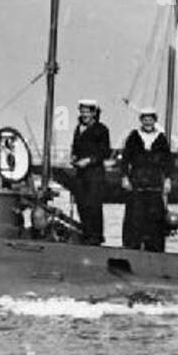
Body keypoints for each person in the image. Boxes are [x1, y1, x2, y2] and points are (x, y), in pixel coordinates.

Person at [120, 106, 173, 251]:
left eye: (150, 119)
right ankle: (132, 245)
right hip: (137, 182)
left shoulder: (161, 138)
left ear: (154, 120)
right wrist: (125, 177)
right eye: (145, 119)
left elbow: (167, 161)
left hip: (155, 183)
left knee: (155, 217)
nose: (147, 122)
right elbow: (125, 159)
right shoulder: (134, 136)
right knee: (135, 216)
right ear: (141, 120)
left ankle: (154, 247)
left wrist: (168, 179)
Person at [70, 98, 111, 245]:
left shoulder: (102, 130)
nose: (84, 114)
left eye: (87, 111)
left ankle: (96, 236)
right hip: (81, 173)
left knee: (93, 205)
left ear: (94, 113)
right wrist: (74, 157)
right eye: (82, 111)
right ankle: (87, 234)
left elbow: (105, 152)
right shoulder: (78, 129)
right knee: (82, 203)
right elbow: (75, 147)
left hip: (95, 173)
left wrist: (89, 160)